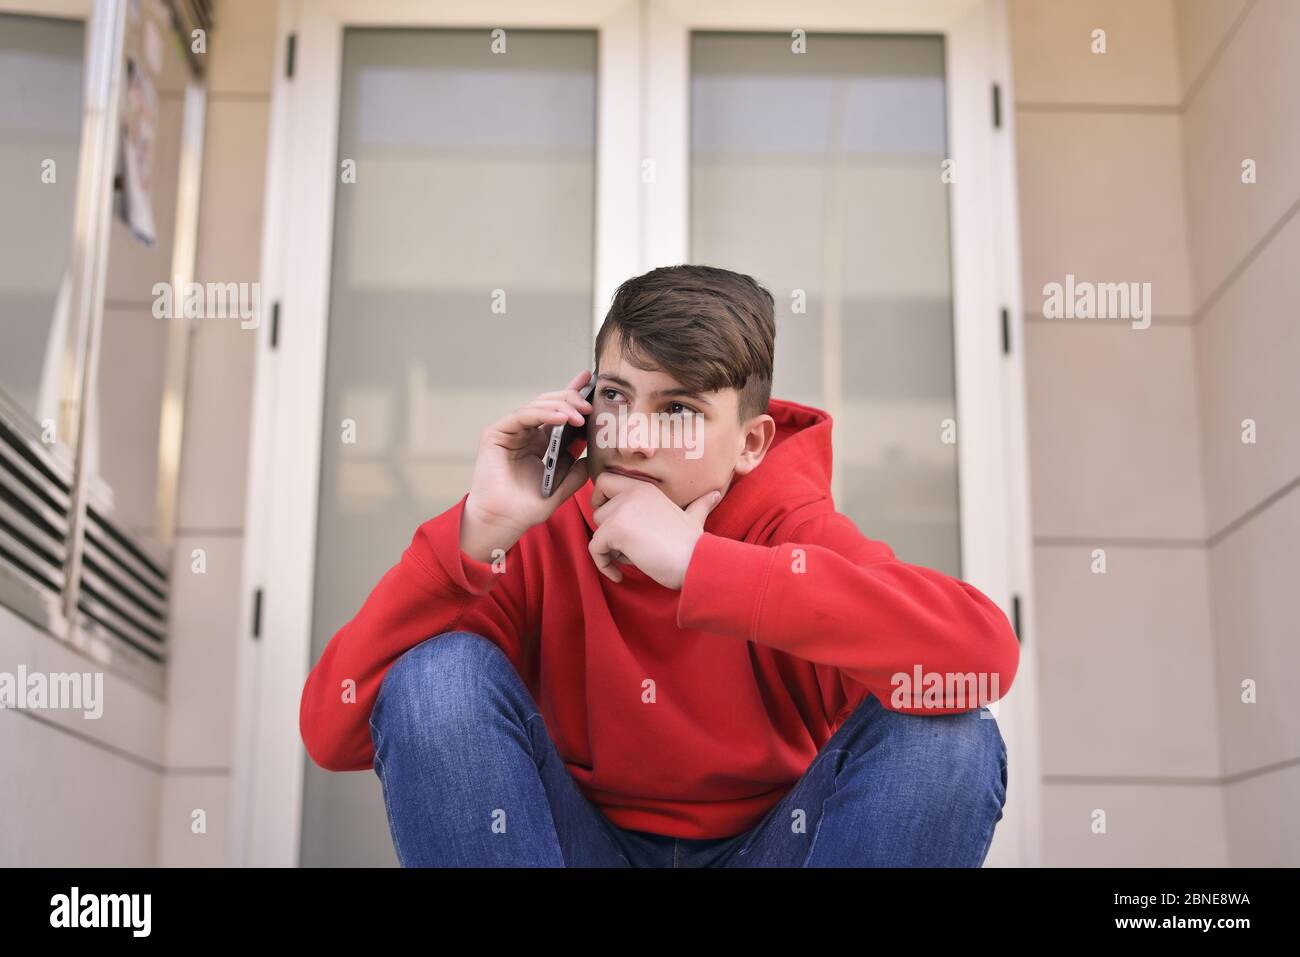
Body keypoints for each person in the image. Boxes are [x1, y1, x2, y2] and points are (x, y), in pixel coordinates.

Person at [299, 264, 1017, 867]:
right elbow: (335, 730)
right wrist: (476, 532)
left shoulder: (789, 533)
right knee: (437, 676)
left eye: (678, 408)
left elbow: (981, 660)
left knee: (949, 735)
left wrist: (704, 567)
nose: (633, 438)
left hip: (773, 848)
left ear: (752, 443)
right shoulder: (539, 537)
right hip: (580, 844)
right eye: (615, 397)